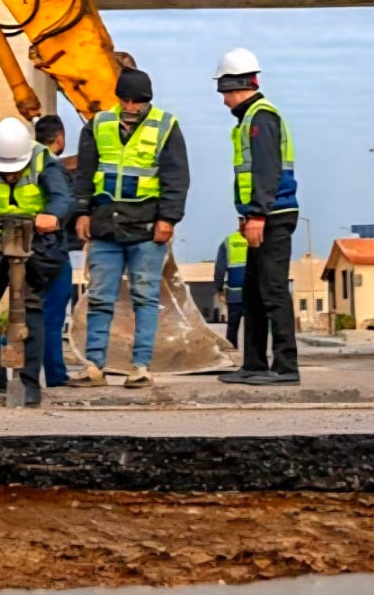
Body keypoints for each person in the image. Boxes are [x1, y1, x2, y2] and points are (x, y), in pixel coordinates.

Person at [68, 68, 189, 389]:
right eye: (127, 101)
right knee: (100, 297)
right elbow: (85, 173)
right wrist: (82, 213)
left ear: (148, 101)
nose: (133, 107)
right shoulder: (98, 126)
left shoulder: (166, 127)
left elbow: (176, 177)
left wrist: (169, 219)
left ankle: (141, 366)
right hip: (106, 226)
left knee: (145, 298)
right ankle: (95, 366)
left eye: (139, 102)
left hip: (147, 228)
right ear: (119, 99)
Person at [0, 117, 74, 406]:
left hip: (35, 243)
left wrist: (53, 216)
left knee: (29, 308)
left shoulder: (44, 161)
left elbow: (63, 197)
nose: (9, 175)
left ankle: (29, 383)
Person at [212, 49, 301, 386]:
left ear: (239, 86)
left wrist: (258, 215)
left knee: (273, 289)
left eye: (225, 93)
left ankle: (285, 367)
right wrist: (248, 213)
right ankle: (253, 363)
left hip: (274, 215)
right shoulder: (251, 119)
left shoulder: (261, 118)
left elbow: (266, 170)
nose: (224, 102)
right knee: (252, 293)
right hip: (263, 213)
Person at [33, 114, 79, 387]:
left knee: (30, 311)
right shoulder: (52, 166)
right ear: (59, 138)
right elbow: (65, 201)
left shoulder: (25, 162)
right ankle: (55, 375)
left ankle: (3, 361)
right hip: (51, 250)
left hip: (24, 250)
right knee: (52, 314)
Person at [213, 231, 249, 348]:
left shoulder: (228, 242)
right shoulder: (258, 237)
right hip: (254, 293)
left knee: (233, 325)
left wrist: (219, 289)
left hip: (235, 294)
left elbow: (220, 269)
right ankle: (254, 357)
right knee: (254, 325)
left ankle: (232, 353)